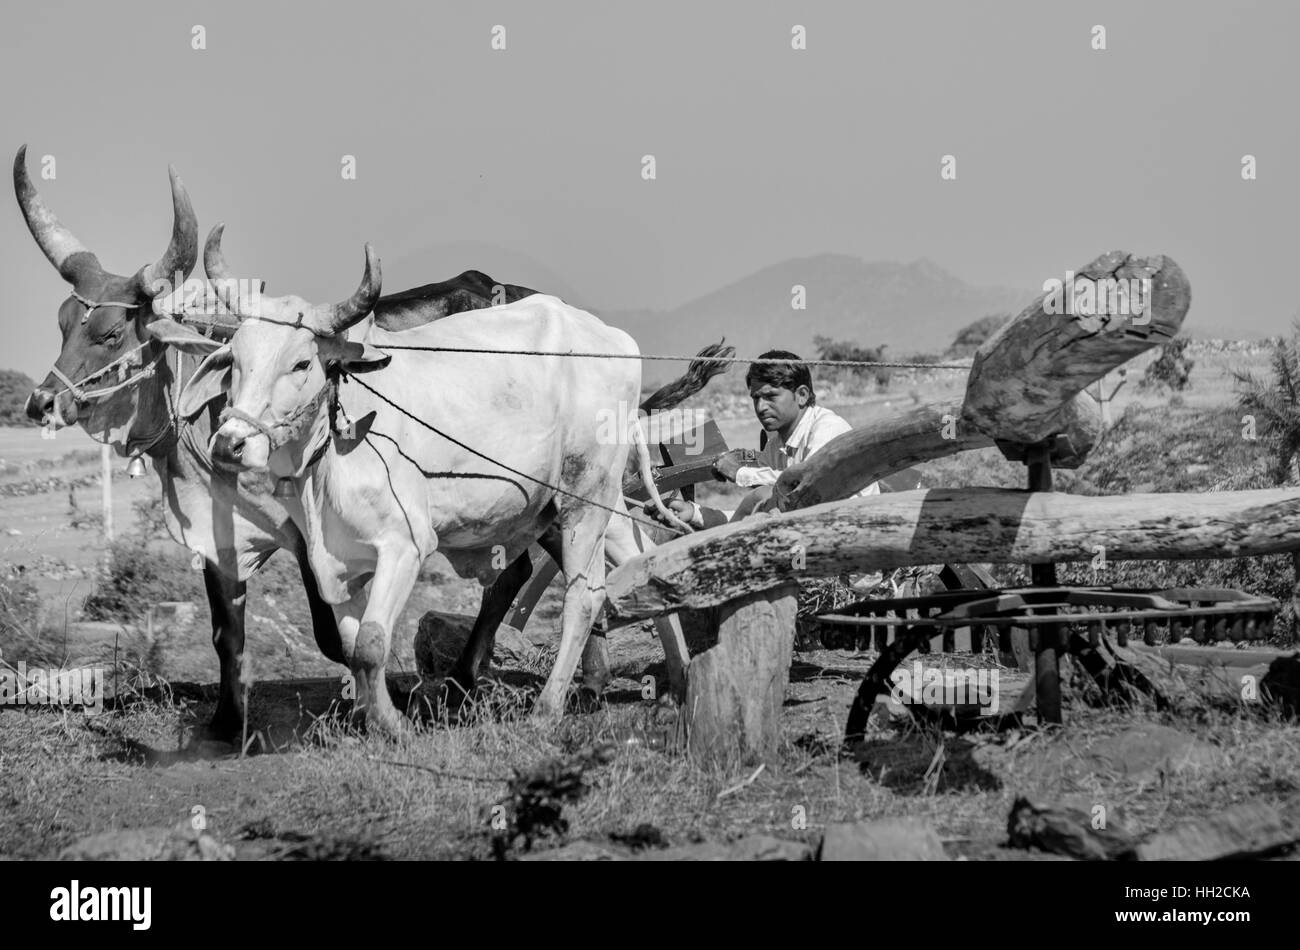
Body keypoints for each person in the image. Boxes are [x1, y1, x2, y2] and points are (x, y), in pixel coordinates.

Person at [648, 350, 879, 530]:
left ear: (801, 395)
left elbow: (803, 484)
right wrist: (695, 513)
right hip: (809, 538)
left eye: (770, 397)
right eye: (755, 398)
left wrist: (740, 473)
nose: (760, 407)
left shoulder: (827, 428)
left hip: (850, 557)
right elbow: (752, 515)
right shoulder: (776, 447)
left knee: (763, 494)